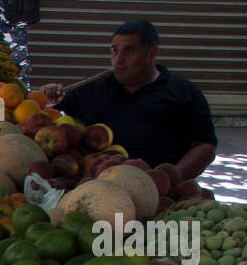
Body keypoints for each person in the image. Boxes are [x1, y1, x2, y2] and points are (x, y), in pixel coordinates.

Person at [40, 20, 217, 180]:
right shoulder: (89, 89)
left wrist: (172, 177)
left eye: (129, 51)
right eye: (114, 51)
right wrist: (48, 101)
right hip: (96, 185)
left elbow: (204, 146)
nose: (118, 60)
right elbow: (52, 121)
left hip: (157, 188)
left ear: (152, 52)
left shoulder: (183, 92)